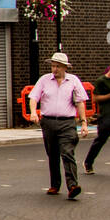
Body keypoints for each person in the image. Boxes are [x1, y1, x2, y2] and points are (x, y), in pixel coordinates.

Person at [28, 52, 89, 199]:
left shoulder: (73, 81)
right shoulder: (44, 80)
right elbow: (33, 97)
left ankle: (73, 185)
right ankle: (55, 185)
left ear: (65, 67)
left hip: (67, 123)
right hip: (48, 122)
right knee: (53, 154)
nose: (54, 69)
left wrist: (84, 122)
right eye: (53, 66)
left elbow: (80, 102)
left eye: (58, 66)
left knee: (67, 153)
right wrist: (33, 113)